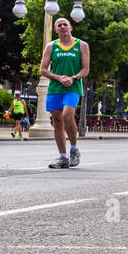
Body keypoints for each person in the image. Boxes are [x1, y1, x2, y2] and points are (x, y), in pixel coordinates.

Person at [39, 17, 89, 169]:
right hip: (55, 88)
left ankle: (74, 149)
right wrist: (58, 77)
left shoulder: (81, 45)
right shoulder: (51, 46)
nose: (62, 27)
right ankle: (62, 157)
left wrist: (73, 78)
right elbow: (43, 70)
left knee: (67, 116)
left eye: (65, 24)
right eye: (59, 25)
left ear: (70, 27)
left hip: (72, 88)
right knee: (57, 121)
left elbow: (85, 69)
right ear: (55, 30)